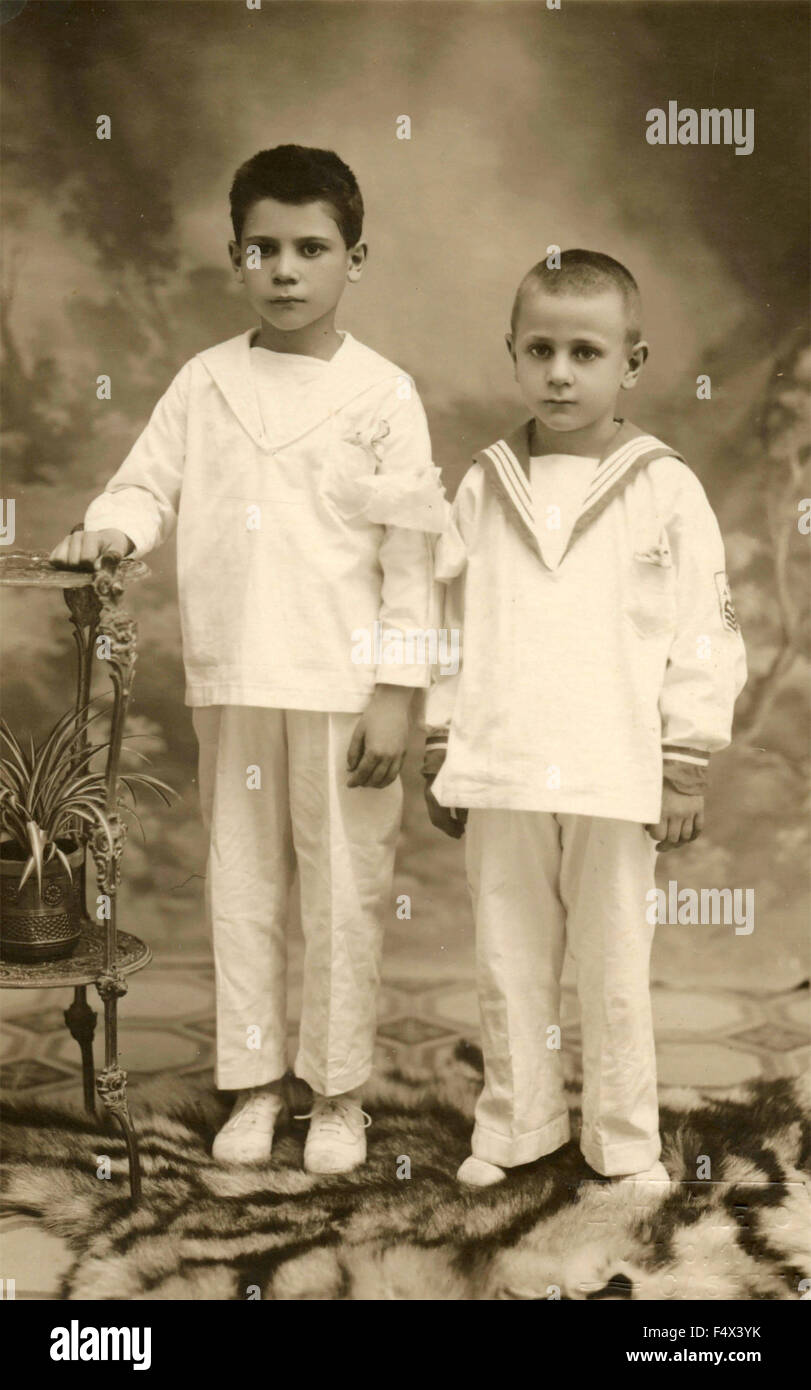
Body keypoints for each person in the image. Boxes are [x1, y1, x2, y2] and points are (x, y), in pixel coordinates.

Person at [51, 144, 446, 1173]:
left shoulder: (382, 395)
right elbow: (145, 486)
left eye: (310, 248)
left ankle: (337, 1095)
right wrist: (112, 531)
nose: (285, 268)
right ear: (235, 255)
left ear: (354, 257)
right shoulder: (206, 380)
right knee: (244, 885)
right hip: (236, 679)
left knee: (345, 890)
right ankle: (257, 1083)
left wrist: (401, 689)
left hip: (346, 686)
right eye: (262, 247)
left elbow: (413, 561)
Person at [423, 249, 747, 1193]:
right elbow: (447, 623)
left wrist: (684, 759)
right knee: (508, 959)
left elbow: (705, 627)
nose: (560, 373)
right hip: (507, 764)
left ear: (631, 365)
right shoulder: (483, 486)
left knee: (611, 969)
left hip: (613, 771)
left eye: (586, 352)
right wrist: (445, 740)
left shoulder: (664, 487)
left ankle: (622, 1141)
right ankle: (516, 1127)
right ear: (514, 355)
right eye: (541, 350)